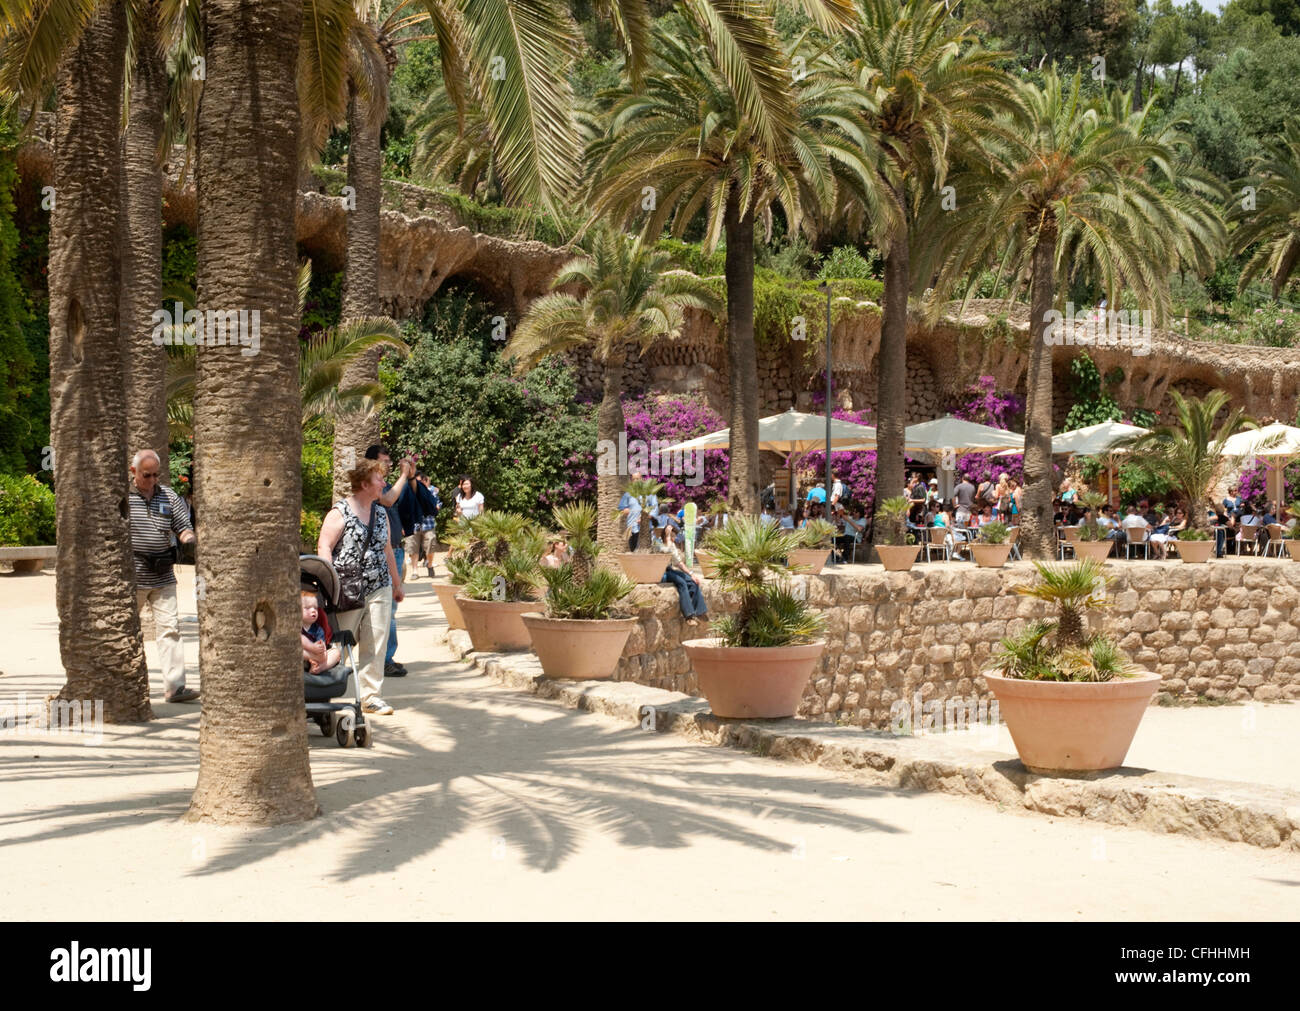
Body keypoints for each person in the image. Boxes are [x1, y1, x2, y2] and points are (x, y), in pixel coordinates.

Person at [318, 459, 404, 716]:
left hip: (379, 585)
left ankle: (370, 696)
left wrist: (396, 584)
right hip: (347, 588)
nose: (384, 483)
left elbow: (387, 548)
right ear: (364, 484)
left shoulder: (381, 514)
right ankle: (326, 689)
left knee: (376, 641)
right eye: (379, 479)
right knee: (340, 642)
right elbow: (324, 547)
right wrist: (330, 582)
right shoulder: (339, 512)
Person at [129, 449, 199, 703]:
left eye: (156, 475)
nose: (152, 480)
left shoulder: (168, 495)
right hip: (134, 573)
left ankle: (175, 687)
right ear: (133, 471)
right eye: (147, 475)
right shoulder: (124, 497)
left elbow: (182, 527)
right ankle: (127, 684)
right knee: (126, 630)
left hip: (163, 574)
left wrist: (189, 541)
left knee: (170, 629)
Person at [365, 445, 413, 680]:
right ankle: (384, 660)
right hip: (386, 553)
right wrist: (404, 475)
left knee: (390, 609)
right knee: (388, 610)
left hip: (395, 549)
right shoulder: (373, 488)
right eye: (384, 462)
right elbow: (388, 500)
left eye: (389, 463)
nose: (388, 467)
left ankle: (386, 657)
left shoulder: (381, 484)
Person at [653, 524, 707, 622]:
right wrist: (668, 537)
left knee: (692, 581)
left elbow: (678, 563)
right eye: (672, 536)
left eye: (674, 536)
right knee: (681, 582)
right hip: (660, 572)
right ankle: (689, 616)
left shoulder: (671, 544)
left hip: (669, 569)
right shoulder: (657, 542)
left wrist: (692, 574)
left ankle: (700, 611)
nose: (674, 538)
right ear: (665, 535)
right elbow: (667, 551)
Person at [301, 589, 341, 674]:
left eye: (315, 607)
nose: (313, 610)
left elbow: (322, 656)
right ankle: (315, 663)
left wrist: (319, 652)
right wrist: (311, 647)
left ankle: (319, 668)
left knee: (336, 653)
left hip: (316, 660)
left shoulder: (318, 630)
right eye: (307, 608)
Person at [617, 471, 657, 551]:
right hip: (632, 528)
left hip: (646, 529)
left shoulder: (650, 493)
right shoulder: (627, 494)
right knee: (633, 550)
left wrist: (645, 517)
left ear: (642, 479)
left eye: (638, 479)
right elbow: (621, 508)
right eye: (634, 479)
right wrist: (626, 510)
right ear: (631, 481)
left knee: (645, 551)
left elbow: (655, 508)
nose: (636, 481)